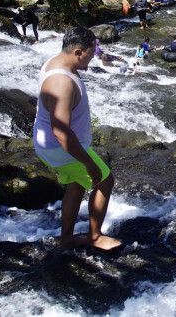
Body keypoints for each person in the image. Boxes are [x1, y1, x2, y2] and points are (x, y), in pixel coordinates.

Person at [33, 27, 120, 250]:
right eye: (92, 53)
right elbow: (61, 131)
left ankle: (66, 239)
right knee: (104, 180)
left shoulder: (57, 61)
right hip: (60, 147)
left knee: (77, 185)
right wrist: (89, 163)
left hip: (50, 145)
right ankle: (95, 237)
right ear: (78, 52)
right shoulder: (62, 83)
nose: (94, 57)